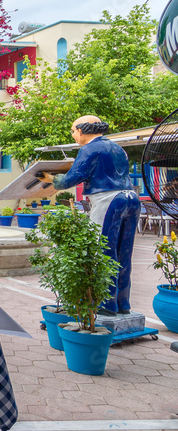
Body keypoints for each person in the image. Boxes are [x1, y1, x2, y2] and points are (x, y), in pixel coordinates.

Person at [40, 115, 142, 315]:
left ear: (82, 129)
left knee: (103, 250)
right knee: (124, 252)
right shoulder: (118, 148)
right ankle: (123, 303)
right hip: (131, 197)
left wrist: (52, 179)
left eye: (73, 131)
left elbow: (72, 178)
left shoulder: (90, 149)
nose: (73, 135)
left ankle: (106, 303)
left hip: (108, 200)